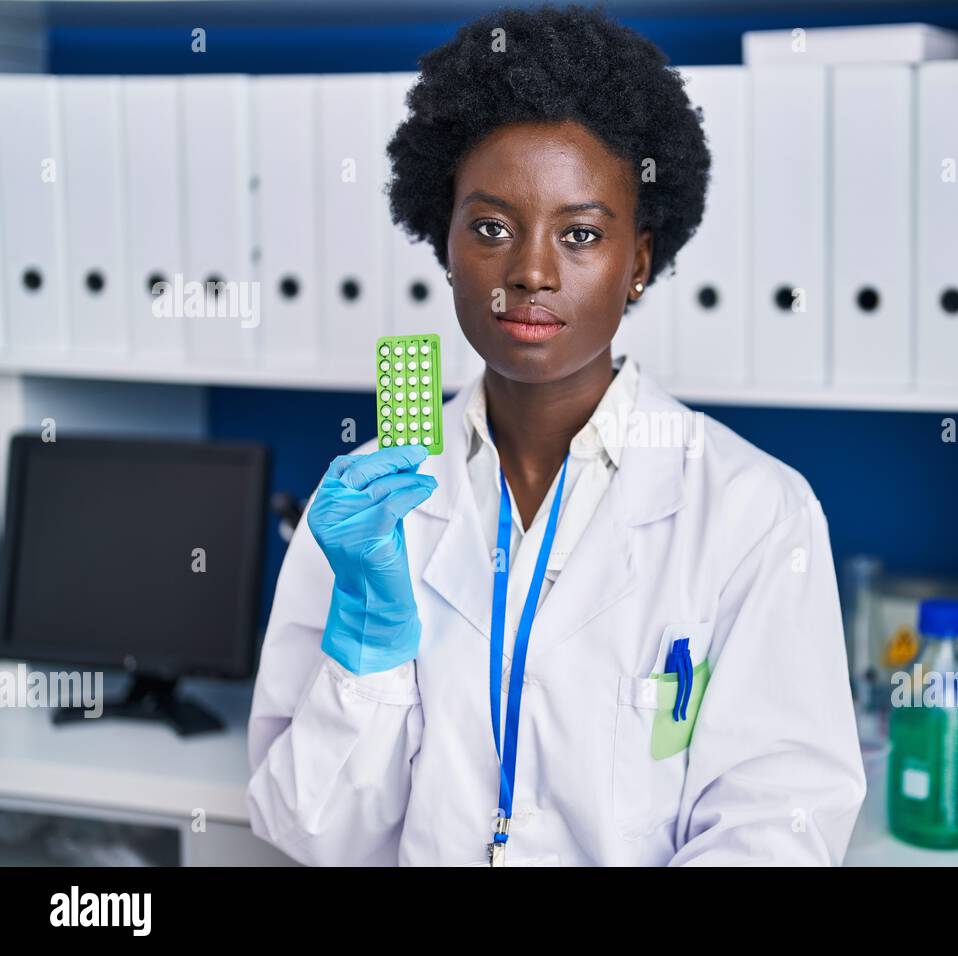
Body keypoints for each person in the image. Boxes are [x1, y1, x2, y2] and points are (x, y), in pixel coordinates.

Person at [247, 3, 864, 866]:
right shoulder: (368, 505)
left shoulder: (754, 514)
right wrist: (366, 655)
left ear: (639, 262)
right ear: (444, 244)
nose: (531, 272)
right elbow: (307, 828)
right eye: (491, 228)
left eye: (581, 234)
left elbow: (775, 830)